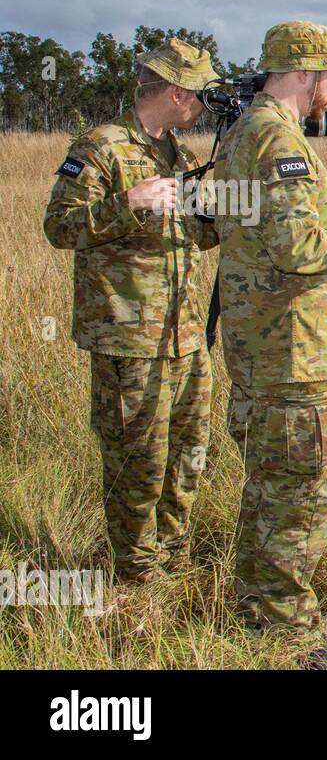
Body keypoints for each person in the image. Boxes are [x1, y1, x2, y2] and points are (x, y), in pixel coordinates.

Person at [213, 20, 327, 631]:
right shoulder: (280, 142)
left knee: (271, 488)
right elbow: (297, 249)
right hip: (291, 354)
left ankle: (258, 610)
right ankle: (284, 629)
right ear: (303, 73)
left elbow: (264, 226)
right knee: (301, 495)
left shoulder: (247, 132)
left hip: (258, 348)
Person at [43, 38, 221, 583]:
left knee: (188, 455)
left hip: (187, 337)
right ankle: (137, 573)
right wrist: (128, 203)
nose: (202, 109)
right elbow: (59, 227)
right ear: (174, 91)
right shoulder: (101, 146)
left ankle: (173, 556)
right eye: (198, 97)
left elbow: (196, 231)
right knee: (137, 463)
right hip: (128, 339)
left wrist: (246, 215)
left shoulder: (182, 154)